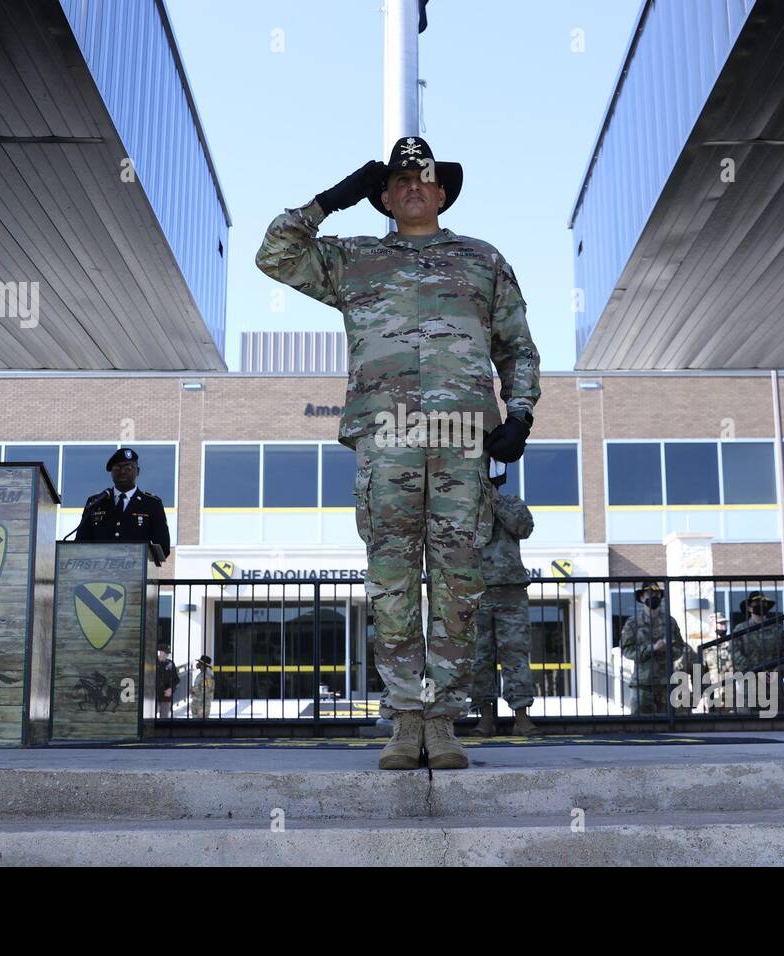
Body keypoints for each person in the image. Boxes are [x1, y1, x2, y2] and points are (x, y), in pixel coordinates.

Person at [256, 137, 540, 771]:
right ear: (382, 196)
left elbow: (517, 346)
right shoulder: (355, 259)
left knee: (460, 578)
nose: (414, 184)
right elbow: (274, 255)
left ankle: (442, 722)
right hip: (388, 438)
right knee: (390, 580)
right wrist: (332, 199)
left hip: (462, 438)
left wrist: (519, 412)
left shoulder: (481, 259)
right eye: (399, 179)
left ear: (443, 192)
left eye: (426, 177)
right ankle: (405, 718)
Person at [470, 460, 539, 737]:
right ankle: (485, 718)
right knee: (479, 657)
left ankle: (521, 717)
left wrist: (495, 501)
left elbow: (523, 528)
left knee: (516, 655)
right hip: (477, 591)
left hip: (510, 591)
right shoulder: (467, 508)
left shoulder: (512, 503)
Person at [75, 447, 171, 563]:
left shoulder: (151, 504)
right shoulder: (96, 502)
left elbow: (163, 548)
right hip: (99, 573)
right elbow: (80, 544)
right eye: (117, 468)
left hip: (135, 574)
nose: (122, 471)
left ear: (138, 471)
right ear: (111, 473)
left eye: (128, 467)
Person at [619, 583, 690, 715]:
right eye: (650, 594)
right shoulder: (633, 623)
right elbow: (627, 650)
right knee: (640, 727)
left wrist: (667, 650)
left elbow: (680, 647)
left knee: (667, 725)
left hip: (665, 683)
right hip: (642, 684)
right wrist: (652, 648)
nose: (654, 597)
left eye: (657, 594)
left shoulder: (670, 621)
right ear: (641, 597)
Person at [729, 591, 784, 712]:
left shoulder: (777, 629)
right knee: (747, 726)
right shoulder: (740, 630)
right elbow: (736, 656)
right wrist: (757, 672)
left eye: (764, 603)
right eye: (757, 603)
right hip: (749, 687)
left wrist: (777, 671)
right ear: (749, 607)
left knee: (779, 725)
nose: (761, 605)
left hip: (773, 686)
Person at [156, 645, 178, 718]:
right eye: (165, 652)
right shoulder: (151, 662)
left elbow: (176, 679)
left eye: (167, 653)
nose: (167, 655)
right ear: (159, 652)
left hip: (165, 697)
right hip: (152, 697)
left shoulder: (170, 664)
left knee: (164, 720)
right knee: (149, 720)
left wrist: (171, 689)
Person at [190, 655, 215, 719]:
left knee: (201, 726)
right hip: (197, 703)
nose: (198, 664)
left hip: (202, 705)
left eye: (200, 663)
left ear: (204, 665)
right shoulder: (201, 673)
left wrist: (194, 690)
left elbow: (207, 690)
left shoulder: (208, 675)